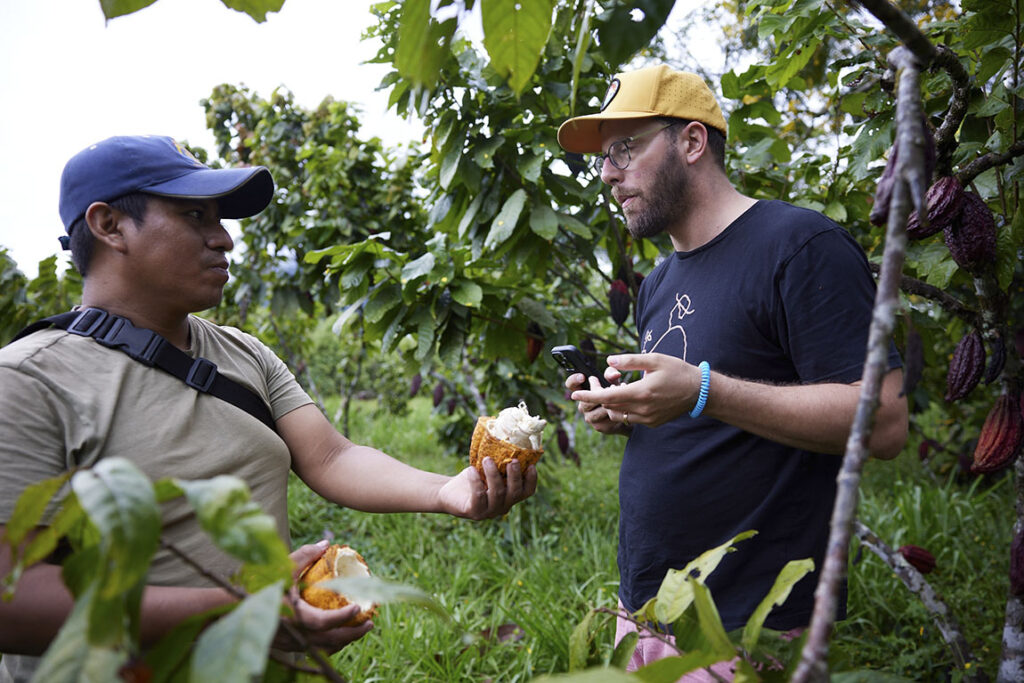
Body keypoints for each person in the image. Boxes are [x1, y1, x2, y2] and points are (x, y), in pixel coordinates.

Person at [0, 135, 537, 682]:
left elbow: (330, 457)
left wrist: (445, 491)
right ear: (109, 225)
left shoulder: (241, 352)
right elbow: (10, 604)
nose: (224, 239)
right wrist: (240, 609)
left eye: (219, 219)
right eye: (194, 216)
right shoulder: (28, 380)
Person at [556, 65, 908, 677]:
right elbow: (697, 419)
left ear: (692, 142)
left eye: (625, 148)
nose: (609, 173)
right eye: (604, 157)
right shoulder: (661, 280)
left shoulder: (800, 245)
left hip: (746, 619)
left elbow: (883, 423)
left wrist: (702, 391)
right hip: (647, 601)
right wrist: (627, 413)